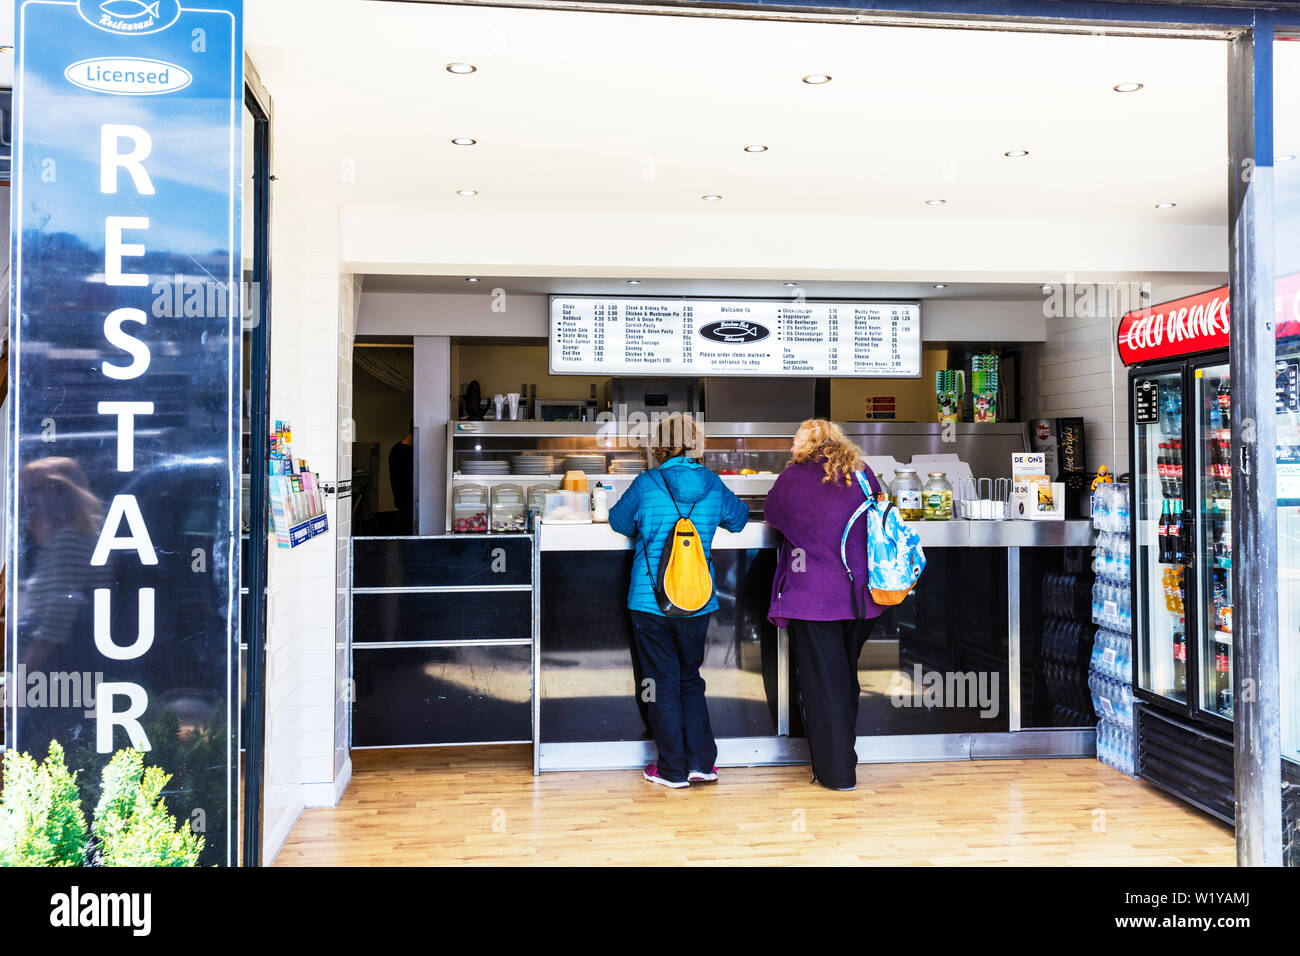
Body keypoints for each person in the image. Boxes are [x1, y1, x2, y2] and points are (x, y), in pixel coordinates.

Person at [608, 413, 749, 788]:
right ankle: (702, 763)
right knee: (690, 679)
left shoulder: (646, 482)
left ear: (660, 445)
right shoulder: (712, 483)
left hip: (649, 603)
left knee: (661, 681)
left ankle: (671, 770)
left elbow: (618, 523)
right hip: (697, 601)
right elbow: (739, 520)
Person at [764, 419, 886, 791]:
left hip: (814, 601)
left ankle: (837, 774)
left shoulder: (793, 480)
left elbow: (773, 517)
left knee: (823, 685)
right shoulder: (863, 474)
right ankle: (843, 760)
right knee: (845, 680)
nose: (790, 448)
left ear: (807, 446)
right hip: (863, 599)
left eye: (795, 441)